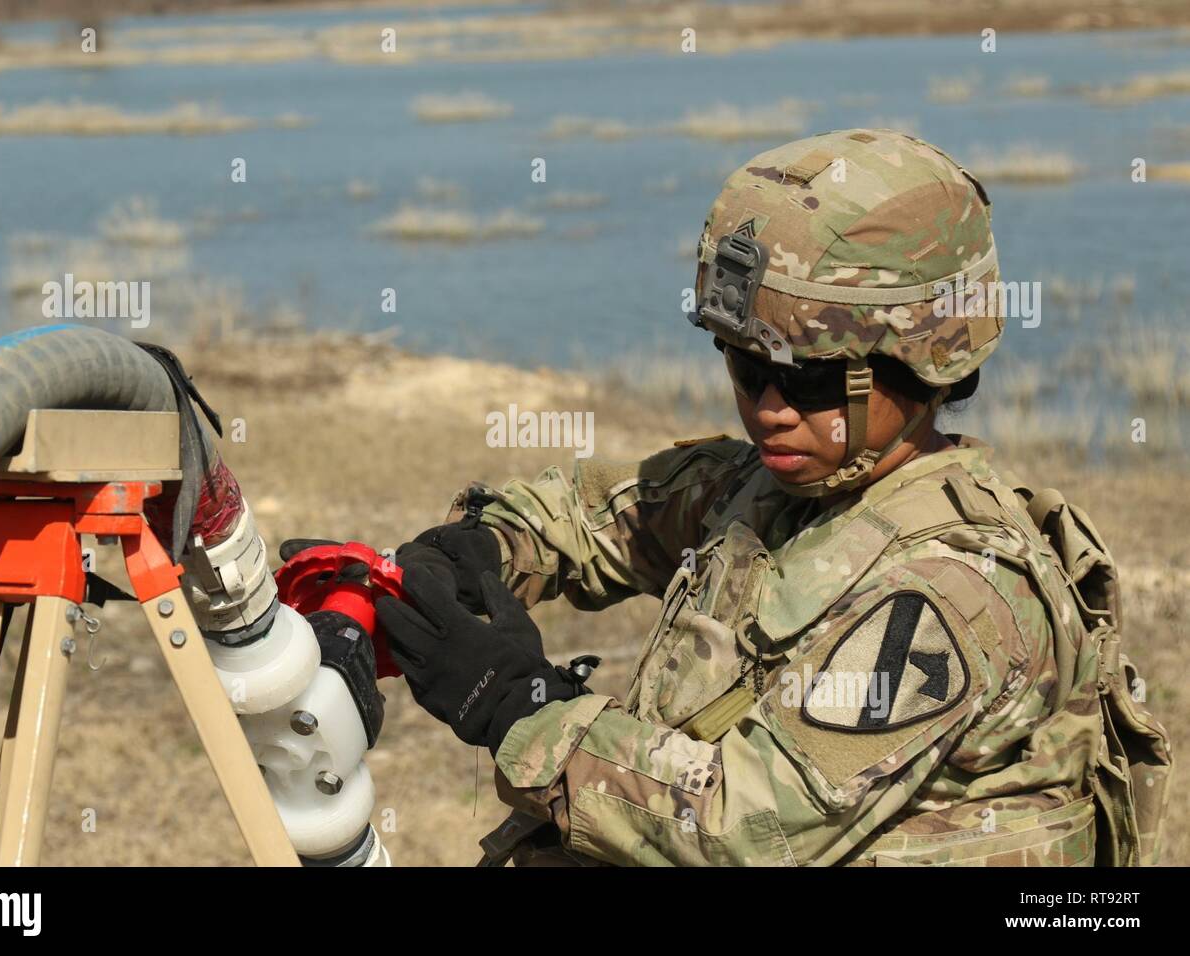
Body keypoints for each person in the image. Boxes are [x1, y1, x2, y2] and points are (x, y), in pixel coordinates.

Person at [360, 129, 1170, 866]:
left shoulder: (952, 591)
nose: (770, 407)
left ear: (925, 367)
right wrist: (481, 552)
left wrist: (517, 705)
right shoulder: (771, 489)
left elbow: (744, 827)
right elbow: (600, 516)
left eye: (814, 379)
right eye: (747, 366)